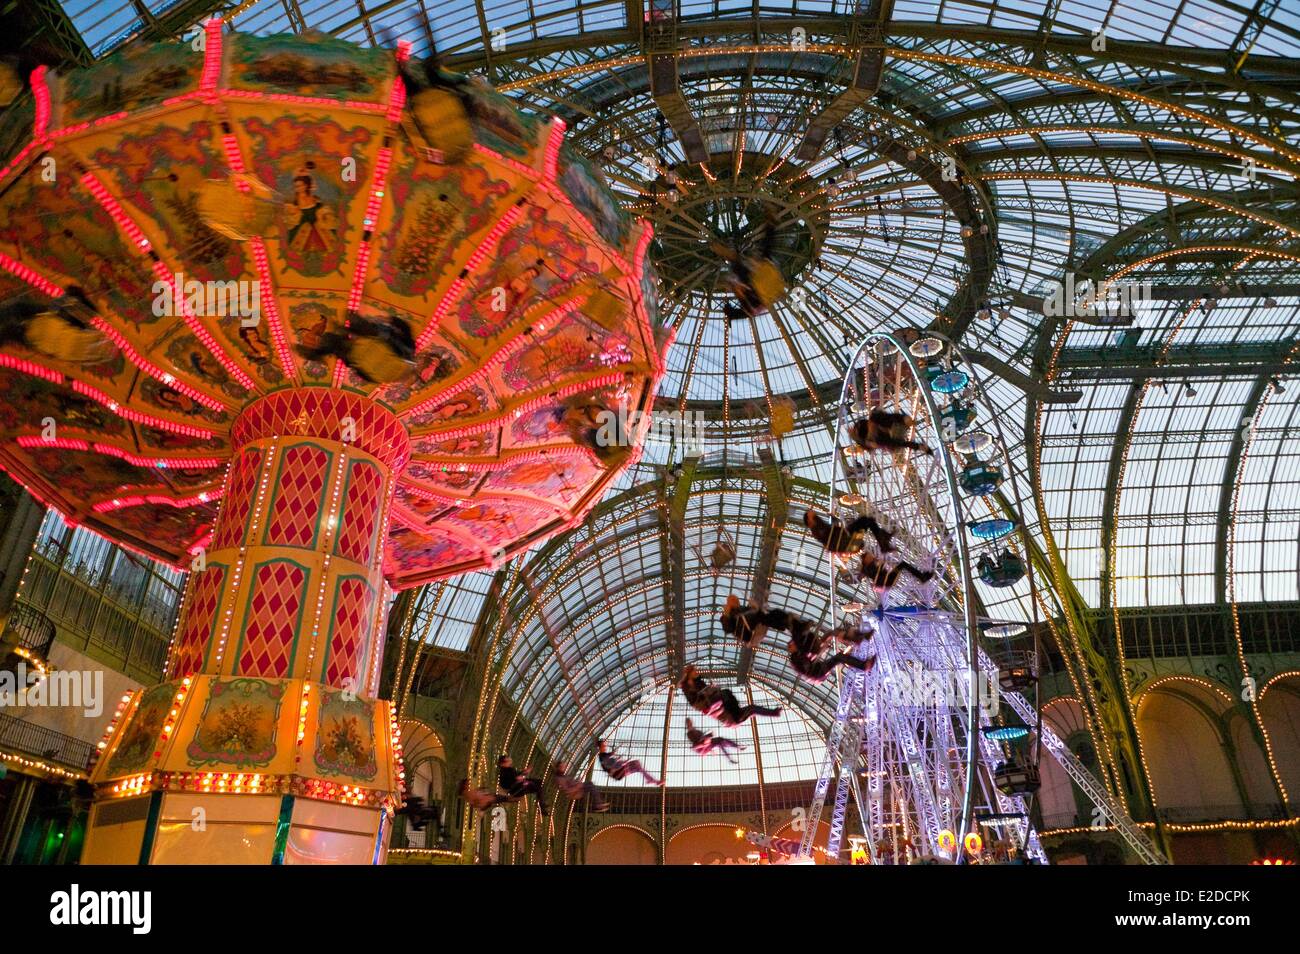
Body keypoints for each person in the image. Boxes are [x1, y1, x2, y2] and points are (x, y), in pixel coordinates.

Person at [296, 311, 416, 383]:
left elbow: (405, 329)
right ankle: (318, 351)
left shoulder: (407, 355)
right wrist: (353, 364)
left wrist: (390, 320)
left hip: (369, 342)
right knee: (335, 342)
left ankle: (347, 325)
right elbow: (364, 375)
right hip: (360, 351)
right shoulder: (386, 378)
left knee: (354, 327)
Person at [679, 664, 782, 726]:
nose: (697, 672)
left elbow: (709, 692)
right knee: (726, 695)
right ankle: (775, 713)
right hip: (731, 717)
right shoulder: (687, 687)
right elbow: (696, 701)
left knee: (727, 693)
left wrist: (712, 689)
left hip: (729, 711)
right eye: (695, 671)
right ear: (689, 674)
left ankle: (775, 713)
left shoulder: (698, 682)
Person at [804, 508, 894, 555]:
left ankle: (883, 543)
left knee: (868, 521)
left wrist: (834, 519)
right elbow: (828, 533)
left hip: (844, 537)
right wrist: (834, 521)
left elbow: (829, 530)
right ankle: (883, 542)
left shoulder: (818, 525)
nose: (812, 512)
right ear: (809, 520)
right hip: (844, 539)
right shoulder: (815, 530)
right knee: (865, 520)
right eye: (810, 513)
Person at [849, 408, 934, 457]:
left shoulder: (877, 419)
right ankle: (904, 423)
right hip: (893, 436)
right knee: (881, 439)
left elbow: (891, 417)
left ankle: (904, 422)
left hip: (894, 427)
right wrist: (920, 447)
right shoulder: (877, 439)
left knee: (877, 418)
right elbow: (900, 444)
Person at [858, 552, 934, 595]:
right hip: (887, 580)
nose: (872, 556)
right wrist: (880, 563)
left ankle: (922, 577)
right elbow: (877, 572)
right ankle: (922, 577)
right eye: (869, 556)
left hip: (886, 580)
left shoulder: (868, 567)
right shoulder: (869, 567)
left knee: (902, 565)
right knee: (903, 565)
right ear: (866, 560)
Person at [596, 740, 664, 786]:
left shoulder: (605, 756)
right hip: (617, 773)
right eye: (603, 745)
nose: (605, 746)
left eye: (605, 745)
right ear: (599, 747)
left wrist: (622, 761)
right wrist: (620, 760)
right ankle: (650, 780)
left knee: (638, 765)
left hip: (619, 773)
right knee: (637, 764)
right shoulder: (602, 756)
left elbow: (614, 763)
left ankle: (651, 780)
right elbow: (612, 764)